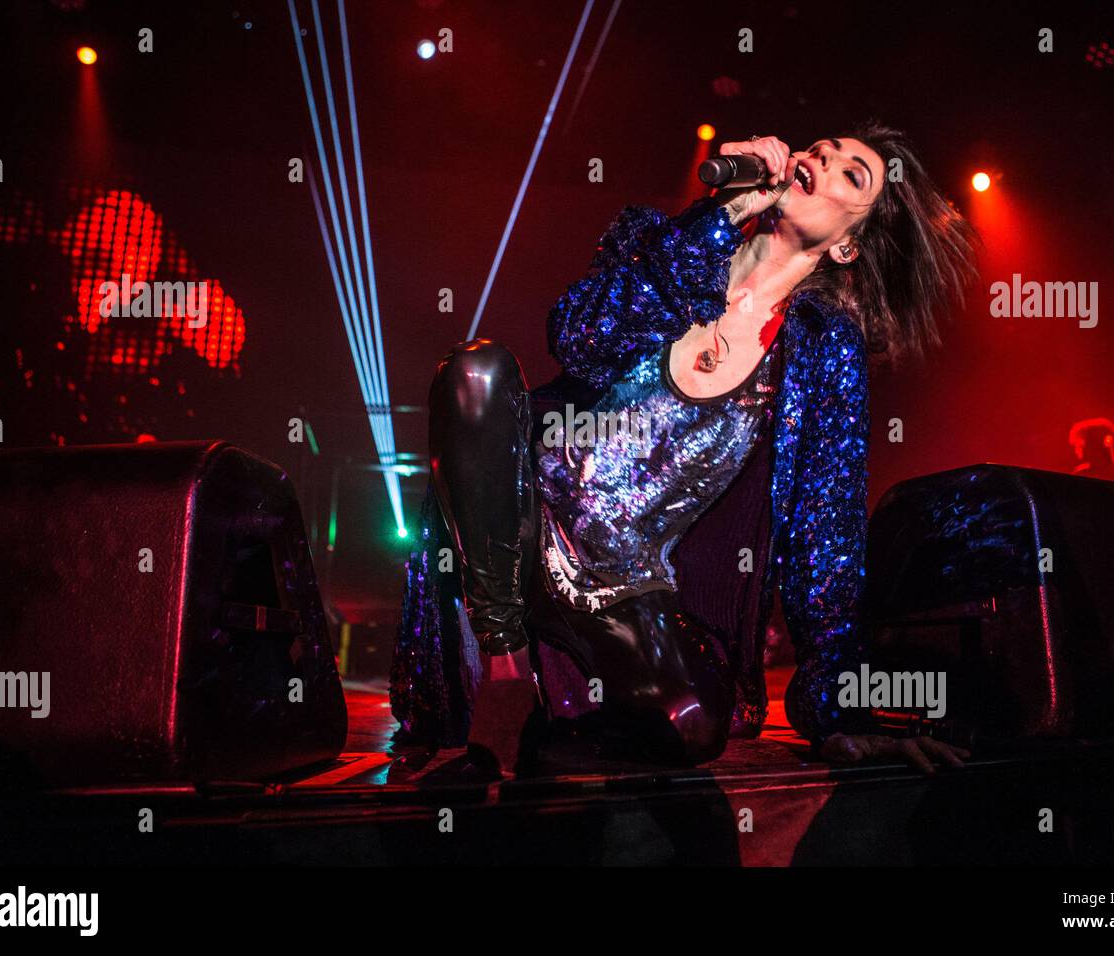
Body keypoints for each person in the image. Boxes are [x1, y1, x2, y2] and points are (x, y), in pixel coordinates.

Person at [394, 122, 978, 773]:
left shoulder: (821, 351)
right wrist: (720, 216)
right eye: (823, 147)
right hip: (525, 532)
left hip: (628, 592)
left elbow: (827, 534)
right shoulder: (665, 251)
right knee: (476, 373)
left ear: (846, 246)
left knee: (691, 730)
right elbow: (580, 337)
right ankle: (504, 657)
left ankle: (556, 726)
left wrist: (840, 715)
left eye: (851, 173)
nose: (819, 157)